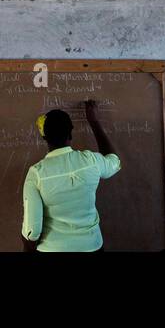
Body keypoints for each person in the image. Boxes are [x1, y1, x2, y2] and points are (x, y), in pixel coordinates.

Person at [20, 99, 121, 252]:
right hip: (92, 246)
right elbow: (114, 161)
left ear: (44, 137)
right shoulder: (91, 161)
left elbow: (32, 231)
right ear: (70, 134)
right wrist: (94, 122)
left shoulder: (36, 174)